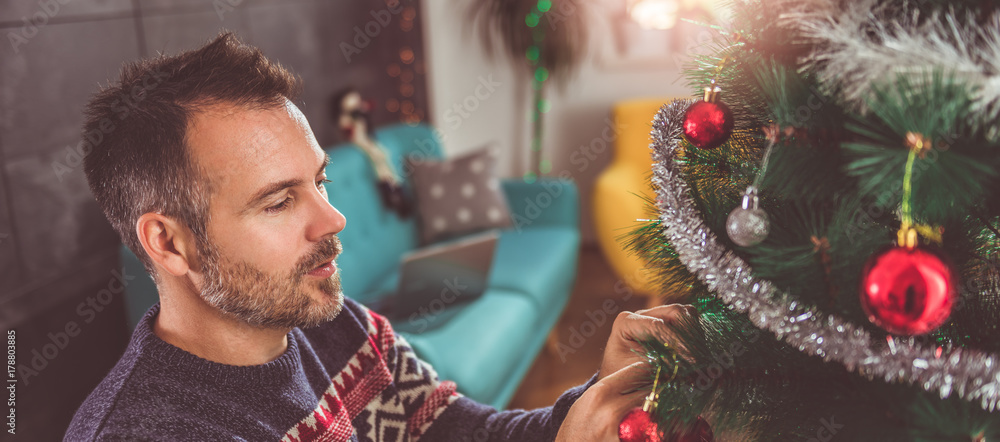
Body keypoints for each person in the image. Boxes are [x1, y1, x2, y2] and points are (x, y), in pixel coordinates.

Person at [64, 32, 691, 442]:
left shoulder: (333, 322)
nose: (333, 220)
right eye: (280, 201)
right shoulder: (147, 431)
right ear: (169, 244)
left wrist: (588, 404)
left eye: (320, 181)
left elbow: (465, 432)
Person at [328, 87, 411, 218]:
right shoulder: (345, 120)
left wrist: (360, 111)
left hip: (367, 139)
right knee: (377, 157)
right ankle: (389, 189)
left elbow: (370, 106)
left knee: (383, 156)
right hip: (358, 141)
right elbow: (348, 131)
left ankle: (395, 186)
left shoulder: (360, 115)